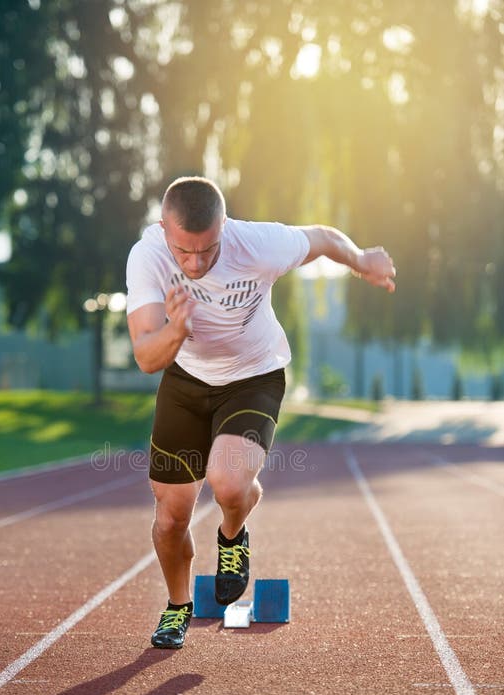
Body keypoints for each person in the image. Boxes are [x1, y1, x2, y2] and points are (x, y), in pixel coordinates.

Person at [126, 176, 395, 649]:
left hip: (254, 376)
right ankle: (177, 607)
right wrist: (177, 330)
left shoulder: (258, 244)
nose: (195, 263)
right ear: (163, 229)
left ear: (223, 227)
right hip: (185, 381)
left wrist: (361, 261)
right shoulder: (147, 256)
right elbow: (148, 356)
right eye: (183, 252)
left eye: (207, 250)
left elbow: (324, 238)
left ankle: (233, 536)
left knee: (228, 483)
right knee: (171, 517)